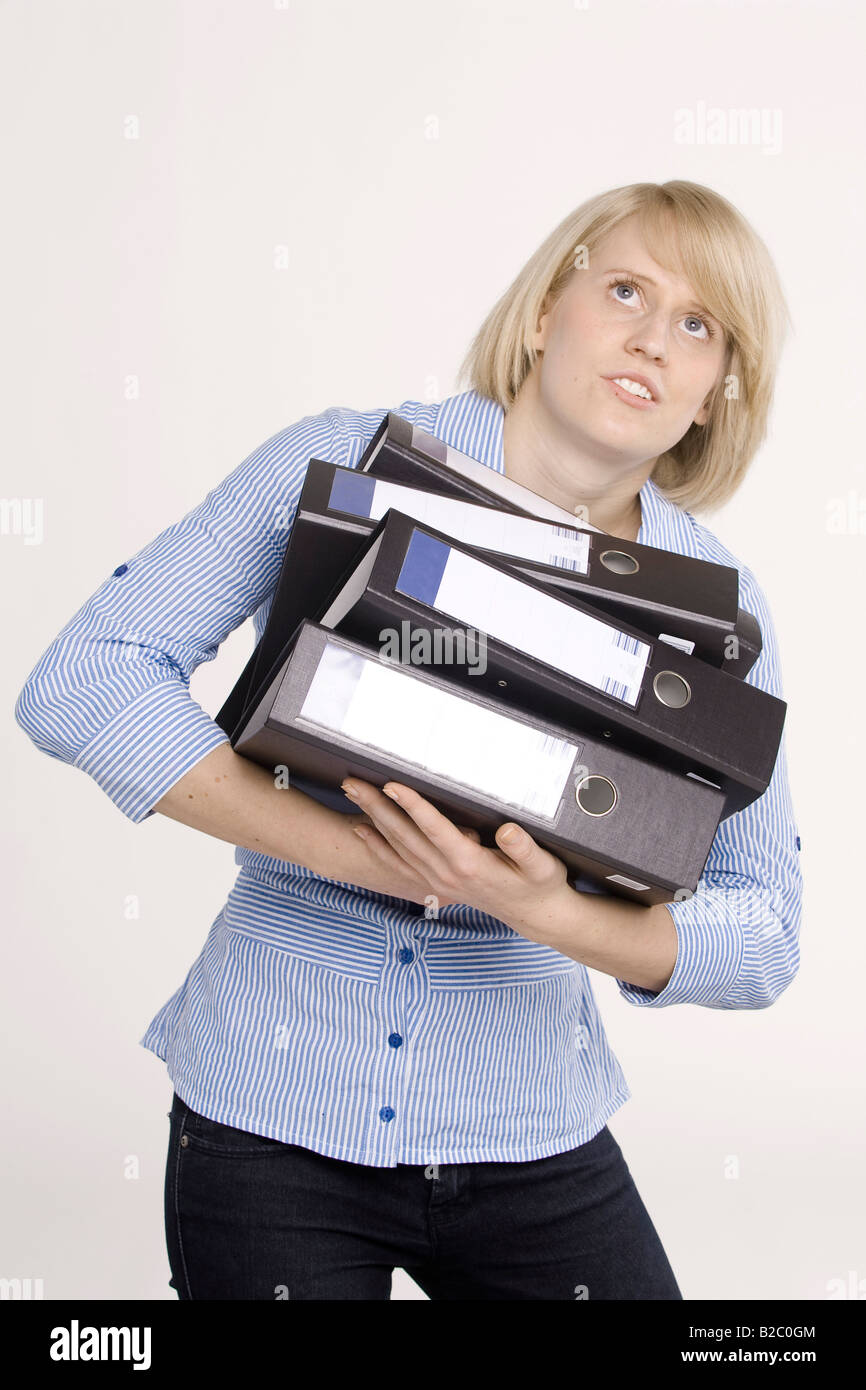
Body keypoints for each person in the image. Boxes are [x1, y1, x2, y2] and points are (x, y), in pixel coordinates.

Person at [14, 179, 802, 1301]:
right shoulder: (342, 461)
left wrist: (544, 909)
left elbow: (763, 929)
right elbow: (85, 676)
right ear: (546, 309)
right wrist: (358, 853)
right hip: (270, 1111)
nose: (650, 340)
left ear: (718, 390)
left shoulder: (719, 613)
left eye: (697, 324)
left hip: (532, 1127)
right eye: (626, 290)